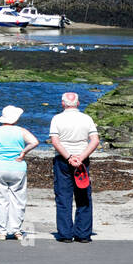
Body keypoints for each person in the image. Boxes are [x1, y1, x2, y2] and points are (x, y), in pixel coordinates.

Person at [0, 106, 39, 240]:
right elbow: (34, 142)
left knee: (1, 200)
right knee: (18, 199)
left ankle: (1, 231)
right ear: (16, 118)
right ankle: (16, 230)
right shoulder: (21, 131)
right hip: (17, 167)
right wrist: (23, 152)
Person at [49, 91, 100, 243]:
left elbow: (55, 141)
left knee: (64, 197)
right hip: (82, 160)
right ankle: (83, 234)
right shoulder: (86, 118)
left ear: (63, 103)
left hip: (64, 160)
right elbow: (95, 140)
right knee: (83, 196)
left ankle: (65, 234)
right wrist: (81, 157)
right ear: (78, 103)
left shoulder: (57, 118)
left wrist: (69, 157)